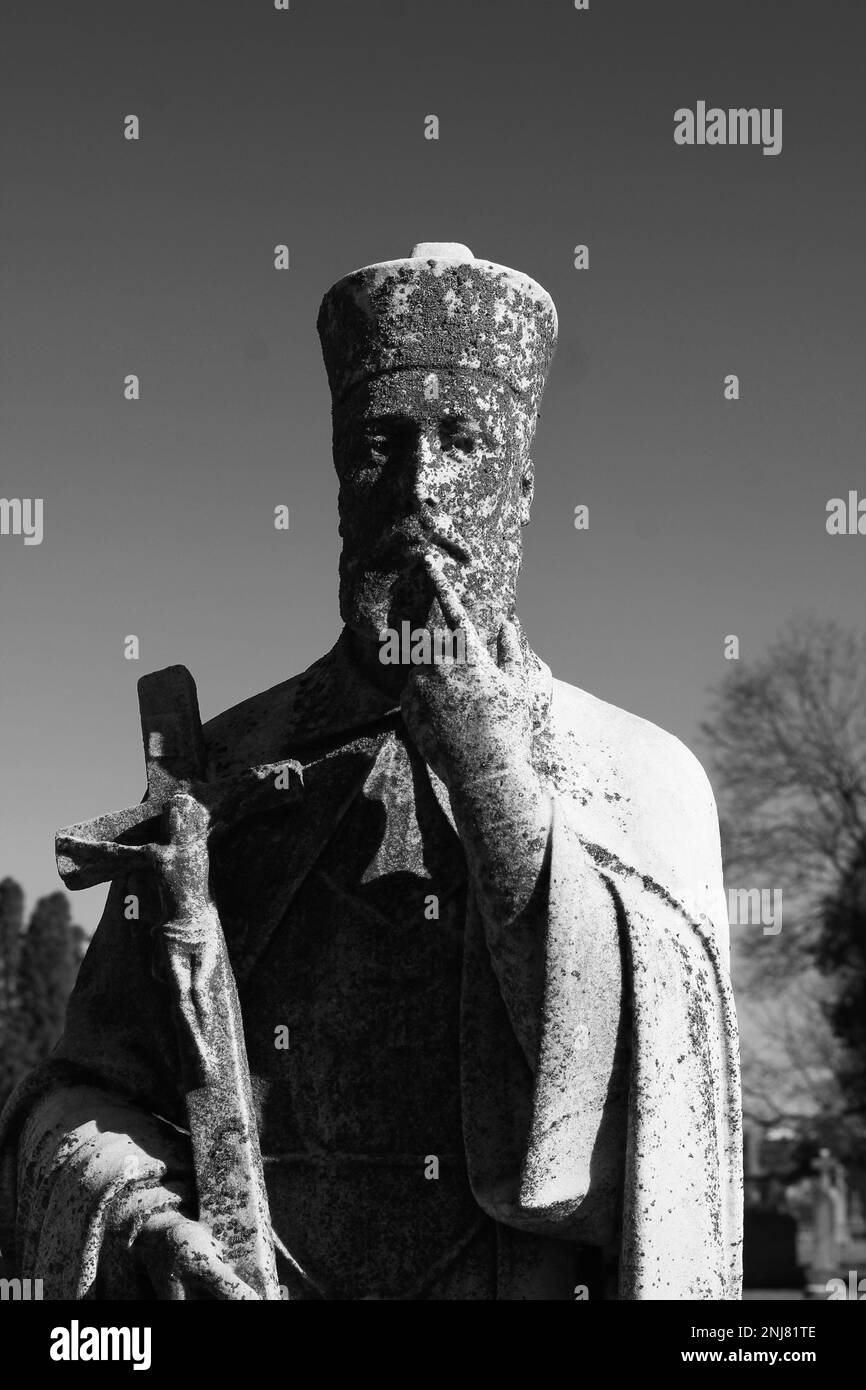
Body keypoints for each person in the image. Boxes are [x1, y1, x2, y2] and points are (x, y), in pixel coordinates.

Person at [0, 243, 742, 1299]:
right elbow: (77, 1091)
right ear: (338, 485)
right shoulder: (222, 766)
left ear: (523, 488)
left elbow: (667, 1141)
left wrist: (489, 779)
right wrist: (139, 1218)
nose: (417, 487)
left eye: (462, 442)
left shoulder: (639, 774)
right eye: (377, 448)